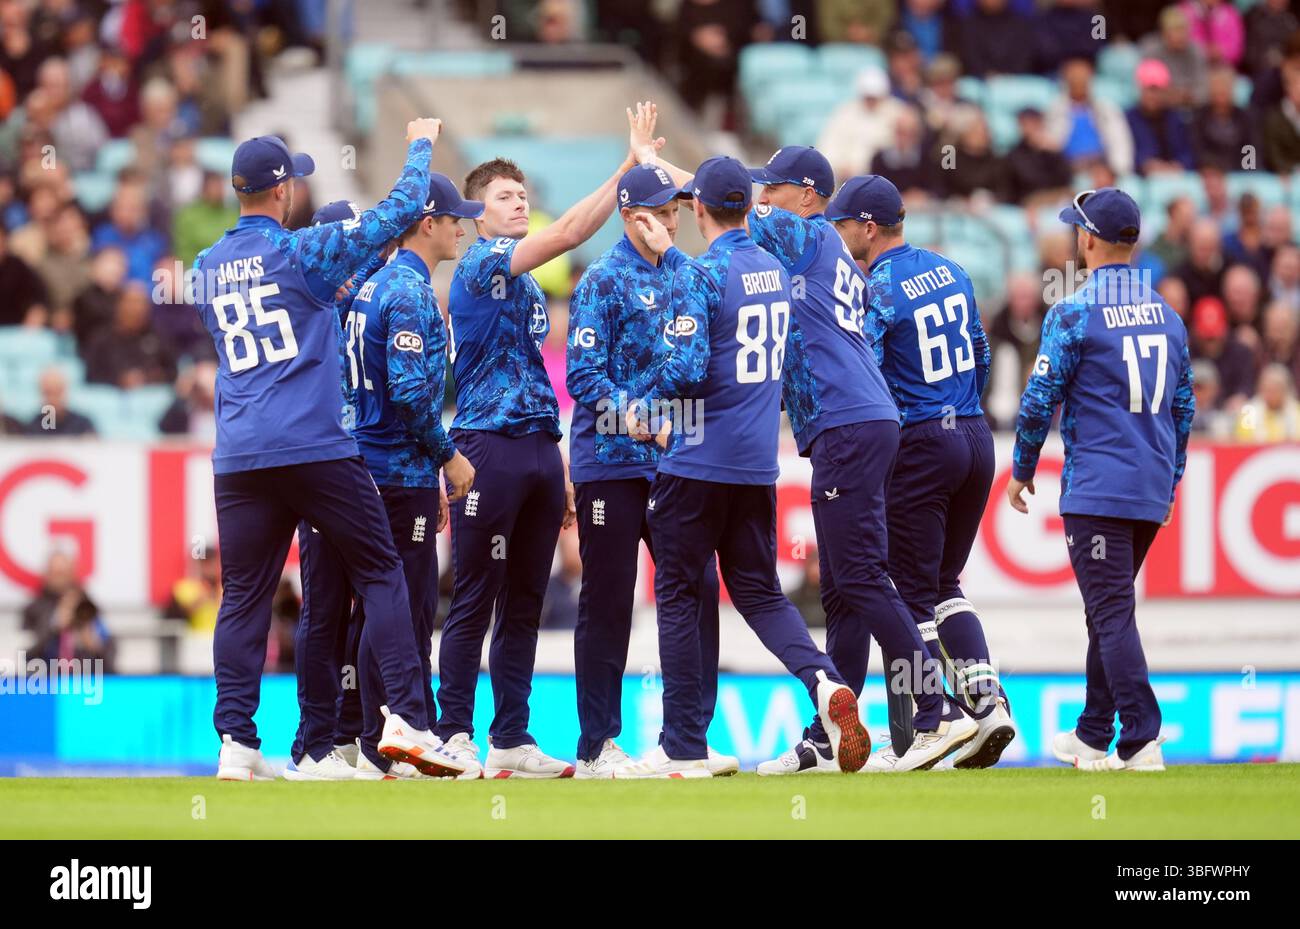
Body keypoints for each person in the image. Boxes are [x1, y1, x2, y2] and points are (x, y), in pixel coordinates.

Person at [194, 122, 467, 781]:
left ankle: (236, 741)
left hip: (239, 451)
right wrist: (420, 145)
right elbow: (400, 211)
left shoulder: (205, 267)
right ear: (283, 190)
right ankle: (406, 717)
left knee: (244, 597)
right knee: (380, 569)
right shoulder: (303, 253)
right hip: (313, 443)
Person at [623, 155, 872, 778]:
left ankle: (683, 746)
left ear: (698, 209)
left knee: (679, 594)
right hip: (756, 465)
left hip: (696, 461)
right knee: (761, 594)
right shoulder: (774, 268)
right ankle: (823, 681)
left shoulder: (701, 274)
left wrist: (641, 408)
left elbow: (683, 367)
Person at [434, 103, 661, 779]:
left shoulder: (527, 281)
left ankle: (510, 735)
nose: (518, 203)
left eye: (523, 195)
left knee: (527, 598)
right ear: (477, 214)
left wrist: (558, 458)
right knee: (474, 594)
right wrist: (626, 170)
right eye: (505, 197)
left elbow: (533, 370)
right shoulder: (481, 265)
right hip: (485, 447)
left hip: (534, 445)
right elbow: (566, 232)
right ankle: (451, 733)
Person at [289, 179, 482, 783]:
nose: (463, 228)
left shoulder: (367, 290)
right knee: (397, 603)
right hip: (391, 468)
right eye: (456, 219)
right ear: (427, 223)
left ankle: (333, 741)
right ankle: (384, 737)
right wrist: (445, 457)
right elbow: (409, 393)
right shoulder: (404, 290)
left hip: (345, 463)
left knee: (338, 608)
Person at [1008, 187, 1195, 772]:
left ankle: (1141, 738)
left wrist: (1020, 469)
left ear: (1088, 239)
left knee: (1110, 611)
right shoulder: (1168, 316)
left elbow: (1040, 399)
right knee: (1106, 609)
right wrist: (1172, 482)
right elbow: (1184, 407)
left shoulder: (1072, 311)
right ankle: (1093, 734)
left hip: (1097, 489)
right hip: (1147, 485)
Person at [565, 162, 733, 778]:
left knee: (693, 593)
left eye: (675, 212)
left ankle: (687, 737)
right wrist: (634, 415)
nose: (671, 221)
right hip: (611, 464)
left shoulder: (685, 276)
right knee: (608, 599)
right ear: (631, 216)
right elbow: (581, 374)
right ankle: (597, 746)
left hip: (679, 461)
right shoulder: (601, 281)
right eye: (659, 213)